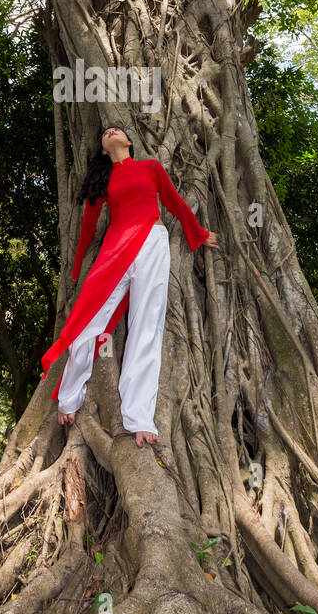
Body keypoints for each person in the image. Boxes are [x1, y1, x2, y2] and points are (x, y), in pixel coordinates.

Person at [40, 127, 219, 447]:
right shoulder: (103, 179)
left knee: (146, 328)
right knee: (88, 321)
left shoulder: (151, 168)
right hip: (115, 252)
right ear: (105, 149)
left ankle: (138, 417)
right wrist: (78, 265)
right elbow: (89, 226)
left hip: (153, 243)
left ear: (128, 142)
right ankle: (69, 397)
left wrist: (200, 234)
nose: (110, 129)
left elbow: (176, 203)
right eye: (105, 132)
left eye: (117, 129)